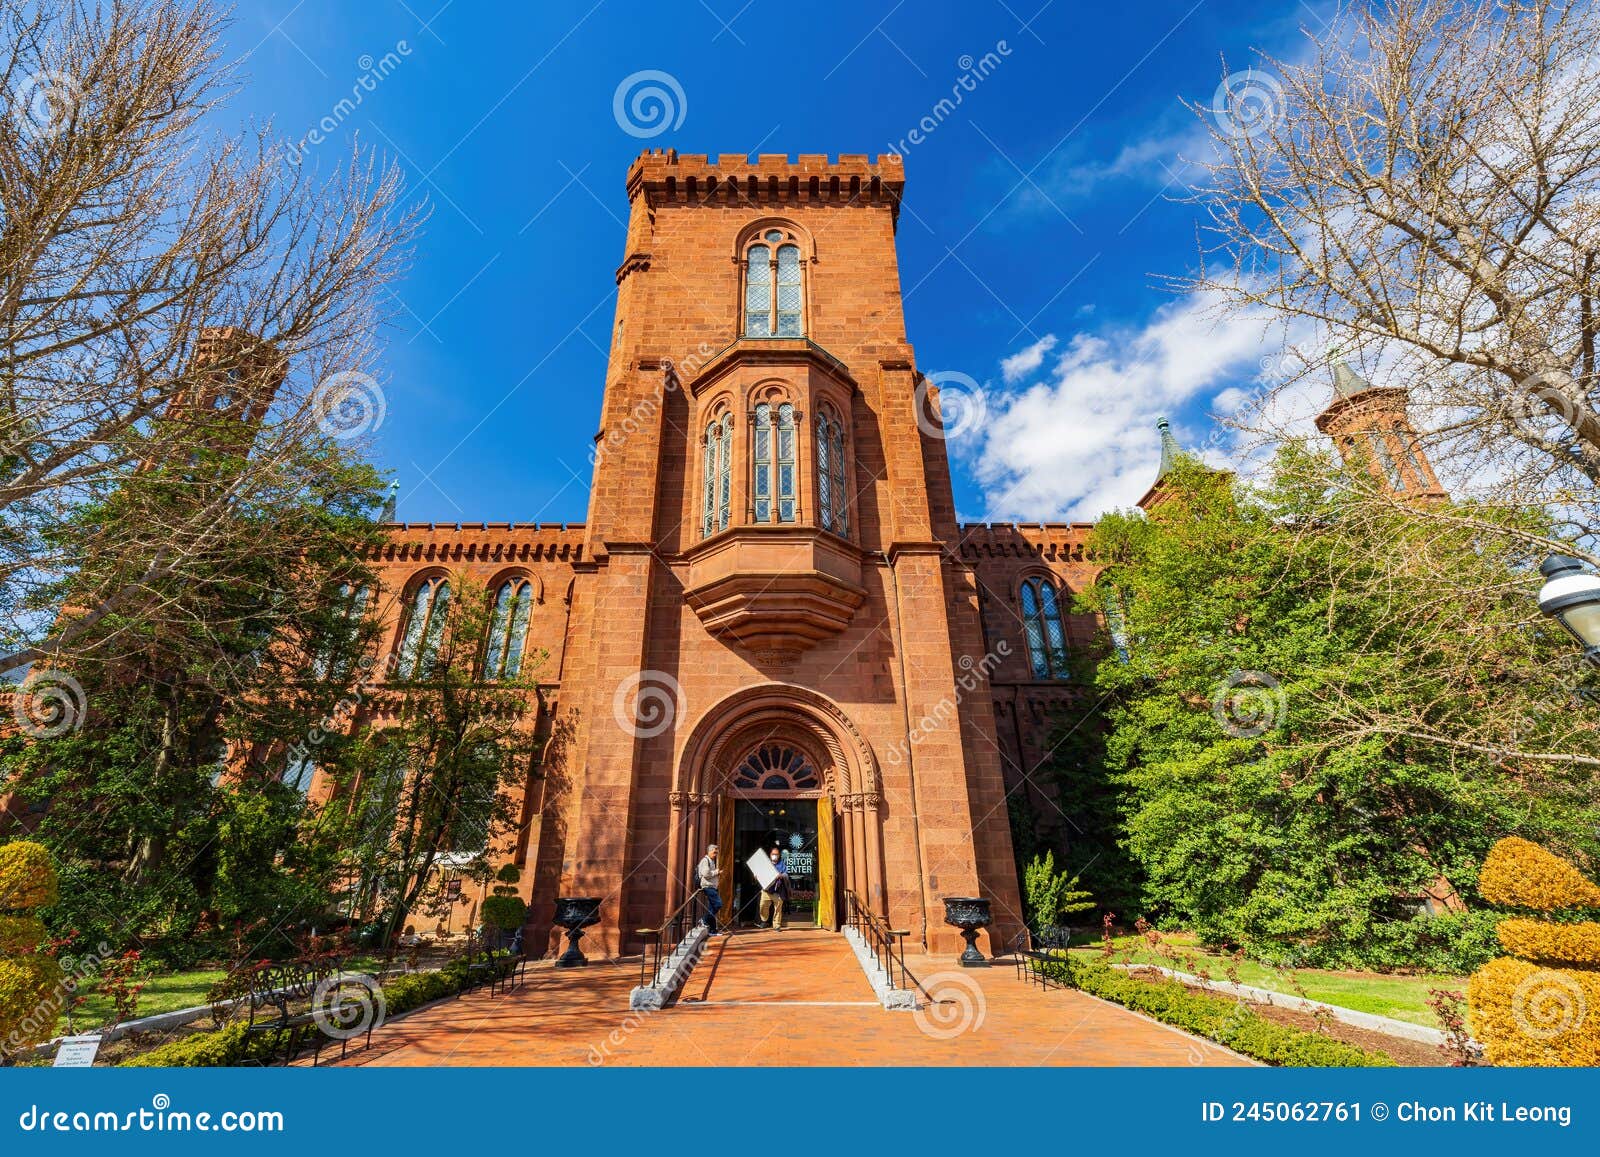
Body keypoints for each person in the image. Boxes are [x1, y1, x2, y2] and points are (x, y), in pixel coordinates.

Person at [696, 843, 728, 935]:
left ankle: (712, 930)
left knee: (712, 907)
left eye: (717, 853)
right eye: (714, 852)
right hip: (708, 886)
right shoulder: (706, 860)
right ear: (709, 852)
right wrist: (716, 872)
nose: (716, 854)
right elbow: (706, 873)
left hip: (712, 887)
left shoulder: (711, 861)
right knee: (718, 904)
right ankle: (704, 920)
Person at [759, 847, 790, 931]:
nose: (775, 856)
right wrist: (756, 876)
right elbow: (760, 874)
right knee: (762, 906)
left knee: (778, 908)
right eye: (773, 854)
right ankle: (764, 920)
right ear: (770, 855)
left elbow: (786, 875)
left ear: (779, 855)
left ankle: (776, 925)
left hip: (778, 891)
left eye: (776, 854)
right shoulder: (766, 864)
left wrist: (781, 875)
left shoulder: (782, 864)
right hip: (766, 890)